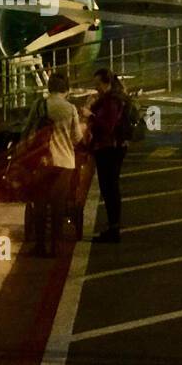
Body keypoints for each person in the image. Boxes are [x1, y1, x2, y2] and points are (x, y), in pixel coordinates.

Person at [27, 72, 83, 257]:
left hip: (42, 161)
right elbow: (77, 138)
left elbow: (28, 129)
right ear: (66, 89)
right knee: (59, 205)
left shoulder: (39, 105)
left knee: (40, 203)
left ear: (49, 87)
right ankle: (56, 246)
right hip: (64, 161)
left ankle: (40, 245)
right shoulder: (70, 108)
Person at [86, 69, 130, 243]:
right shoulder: (114, 98)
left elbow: (107, 126)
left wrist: (90, 114)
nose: (96, 88)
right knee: (110, 187)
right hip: (113, 147)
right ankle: (113, 226)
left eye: (98, 84)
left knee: (109, 188)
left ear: (107, 83)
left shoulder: (112, 101)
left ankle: (114, 229)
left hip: (109, 148)